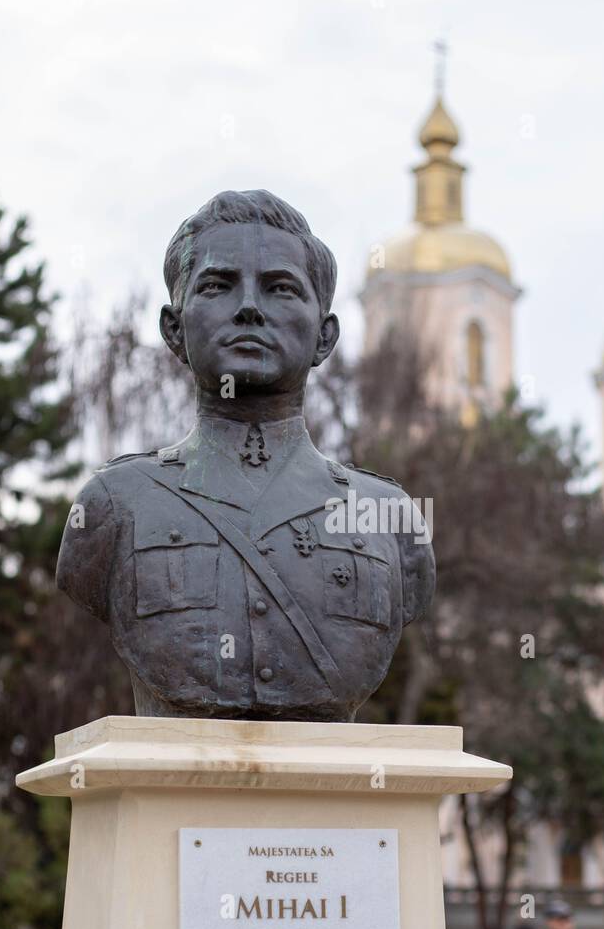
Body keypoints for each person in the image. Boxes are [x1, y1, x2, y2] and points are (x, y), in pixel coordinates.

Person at [56, 190, 435, 720]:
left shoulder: (389, 518)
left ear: (324, 337)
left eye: (281, 289)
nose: (250, 307)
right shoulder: (113, 504)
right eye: (217, 285)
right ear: (174, 329)